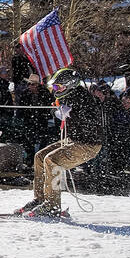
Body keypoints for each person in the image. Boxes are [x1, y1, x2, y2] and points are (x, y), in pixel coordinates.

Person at [17, 68, 105, 218]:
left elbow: (90, 120)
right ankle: (41, 198)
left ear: (70, 84)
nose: (55, 90)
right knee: (39, 157)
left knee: (52, 161)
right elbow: (61, 111)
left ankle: (53, 205)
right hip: (73, 140)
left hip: (88, 144)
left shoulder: (84, 98)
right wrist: (59, 111)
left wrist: (72, 113)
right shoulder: (70, 95)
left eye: (58, 87)